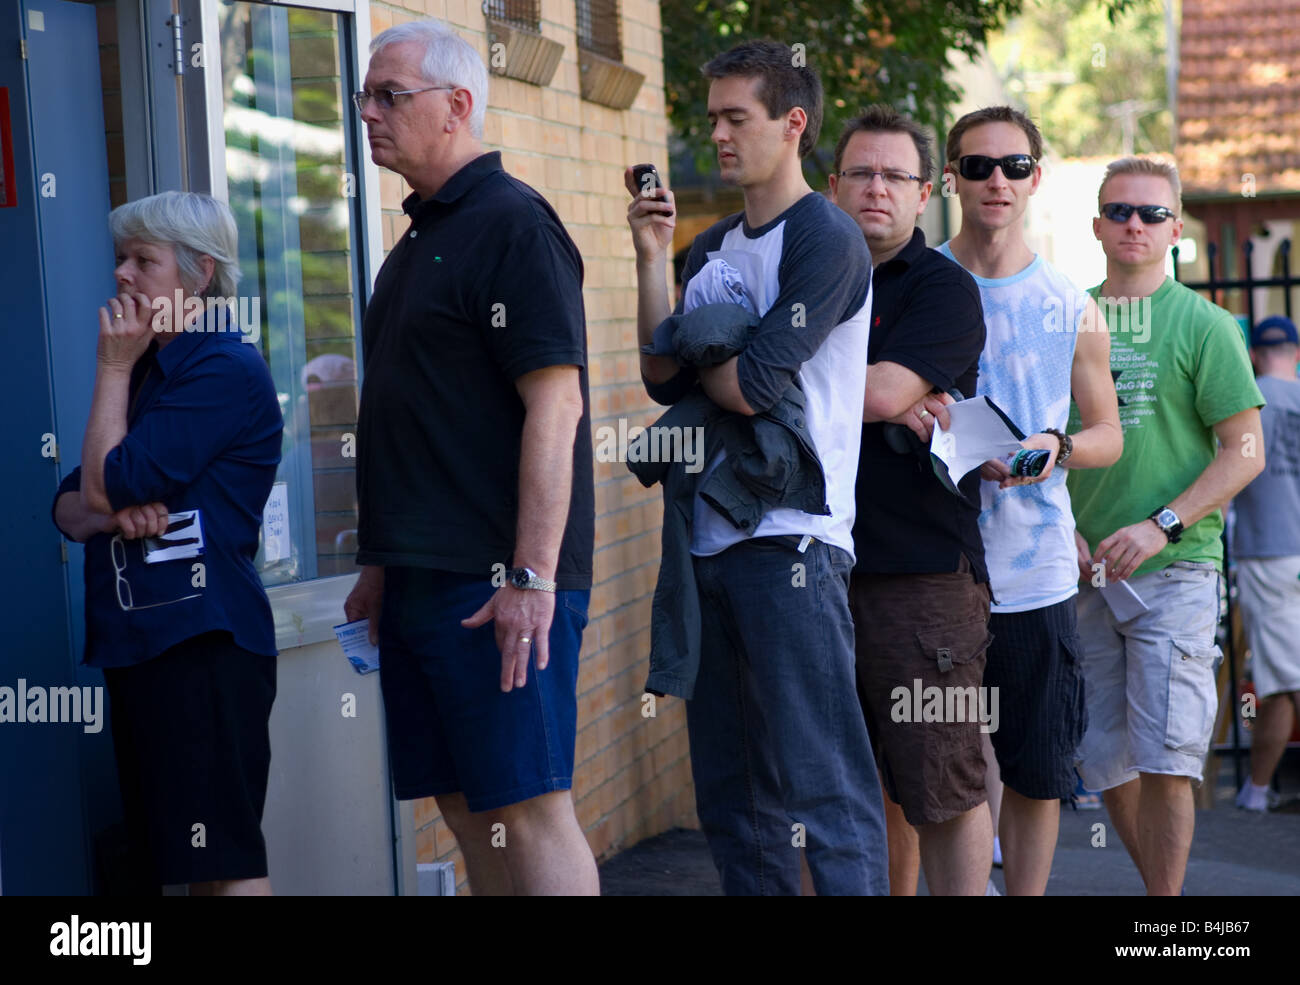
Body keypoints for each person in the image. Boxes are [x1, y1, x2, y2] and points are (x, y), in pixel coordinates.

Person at [342, 20, 597, 896]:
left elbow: (556, 406)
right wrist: (380, 562)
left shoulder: (513, 225)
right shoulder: (412, 243)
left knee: (528, 804)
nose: (367, 112)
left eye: (388, 95)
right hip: (420, 576)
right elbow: (412, 419)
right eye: (364, 95)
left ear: (456, 106)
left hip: (499, 581)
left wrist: (531, 573)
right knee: (463, 804)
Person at [626, 39, 887, 895]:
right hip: (707, 542)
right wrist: (651, 260)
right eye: (713, 120)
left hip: (796, 544)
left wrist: (712, 352)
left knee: (826, 784)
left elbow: (747, 384)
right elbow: (662, 372)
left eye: (737, 117)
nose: (720, 136)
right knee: (735, 797)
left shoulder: (828, 238)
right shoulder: (707, 248)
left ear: (793, 122)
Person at [51, 190, 283, 895]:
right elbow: (67, 505)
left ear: (199, 274)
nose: (122, 275)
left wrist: (112, 371)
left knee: (223, 866)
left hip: (202, 645)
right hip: (145, 644)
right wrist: (111, 508)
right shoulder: (156, 368)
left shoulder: (221, 369)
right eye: (121, 258)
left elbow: (101, 485)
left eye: (142, 260)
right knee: (176, 864)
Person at [937, 106, 1123, 895]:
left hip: (1038, 568)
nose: (996, 181)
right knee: (941, 764)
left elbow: (1108, 431)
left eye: (1014, 166)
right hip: (933, 563)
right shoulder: (917, 286)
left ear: (1036, 179)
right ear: (951, 178)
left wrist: (1058, 448)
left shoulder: (1068, 301)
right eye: (977, 166)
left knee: (1039, 767)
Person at [1069, 156, 1265, 894]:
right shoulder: (1067, 312)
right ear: (1097, 224)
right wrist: (1062, 523)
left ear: (1175, 228)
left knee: (1169, 756)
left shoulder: (1206, 324)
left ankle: (1167, 917)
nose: (1134, 224)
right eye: (1120, 211)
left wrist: (1163, 523)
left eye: (1152, 214)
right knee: (1104, 761)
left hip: (1176, 565)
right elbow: (1041, 436)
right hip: (1084, 571)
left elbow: (1246, 450)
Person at [827, 105, 993, 896]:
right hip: (809, 564)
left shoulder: (943, 290)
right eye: (860, 172)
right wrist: (875, 398)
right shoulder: (805, 275)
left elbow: (882, 389)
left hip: (920, 574)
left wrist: (880, 395)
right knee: (831, 783)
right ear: (832, 184)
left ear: (925, 192)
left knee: (939, 782)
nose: (876, 189)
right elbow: (870, 395)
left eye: (895, 176)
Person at [1233, 315, 1300, 812]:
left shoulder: (1250, 399)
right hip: (1284, 549)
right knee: (1283, 677)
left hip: (1269, 550)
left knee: (1284, 679)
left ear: (1255, 353)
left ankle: (1256, 793)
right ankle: (1255, 790)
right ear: (1296, 351)